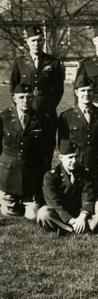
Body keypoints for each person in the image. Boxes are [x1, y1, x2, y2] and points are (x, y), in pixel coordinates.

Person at [8, 25, 63, 168]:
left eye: (39, 40)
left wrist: (49, 106)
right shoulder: (19, 63)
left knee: (46, 150)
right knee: (28, 149)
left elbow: (59, 89)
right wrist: (21, 109)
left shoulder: (53, 62)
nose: (36, 44)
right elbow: (13, 88)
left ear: (43, 41)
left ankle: (44, 185)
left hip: (47, 112)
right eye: (33, 41)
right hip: (27, 111)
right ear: (27, 42)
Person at [0, 84, 48, 219]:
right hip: (8, 174)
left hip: (29, 174)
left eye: (29, 97)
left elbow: (44, 149)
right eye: (21, 97)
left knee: (32, 216)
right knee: (9, 213)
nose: (25, 101)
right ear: (14, 98)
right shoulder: (4, 117)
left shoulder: (40, 119)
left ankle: (26, 201)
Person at [37, 142, 97, 234]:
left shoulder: (84, 173)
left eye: (76, 156)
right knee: (43, 214)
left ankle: (69, 229)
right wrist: (72, 221)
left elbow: (88, 195)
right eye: (70, 157)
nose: (74, 161)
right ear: (60, 158)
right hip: (61, 214)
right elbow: (55, 204)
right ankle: (76, 229)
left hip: (80, 212)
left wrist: (82, 217)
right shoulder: (50, 176)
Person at [57, 75, 98, 170]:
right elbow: (63, 145)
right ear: (76, 92)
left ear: (94, 92)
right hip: (76, 163)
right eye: (83, 90)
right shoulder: (66, 116)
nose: (86, 94)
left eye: (90, 90)